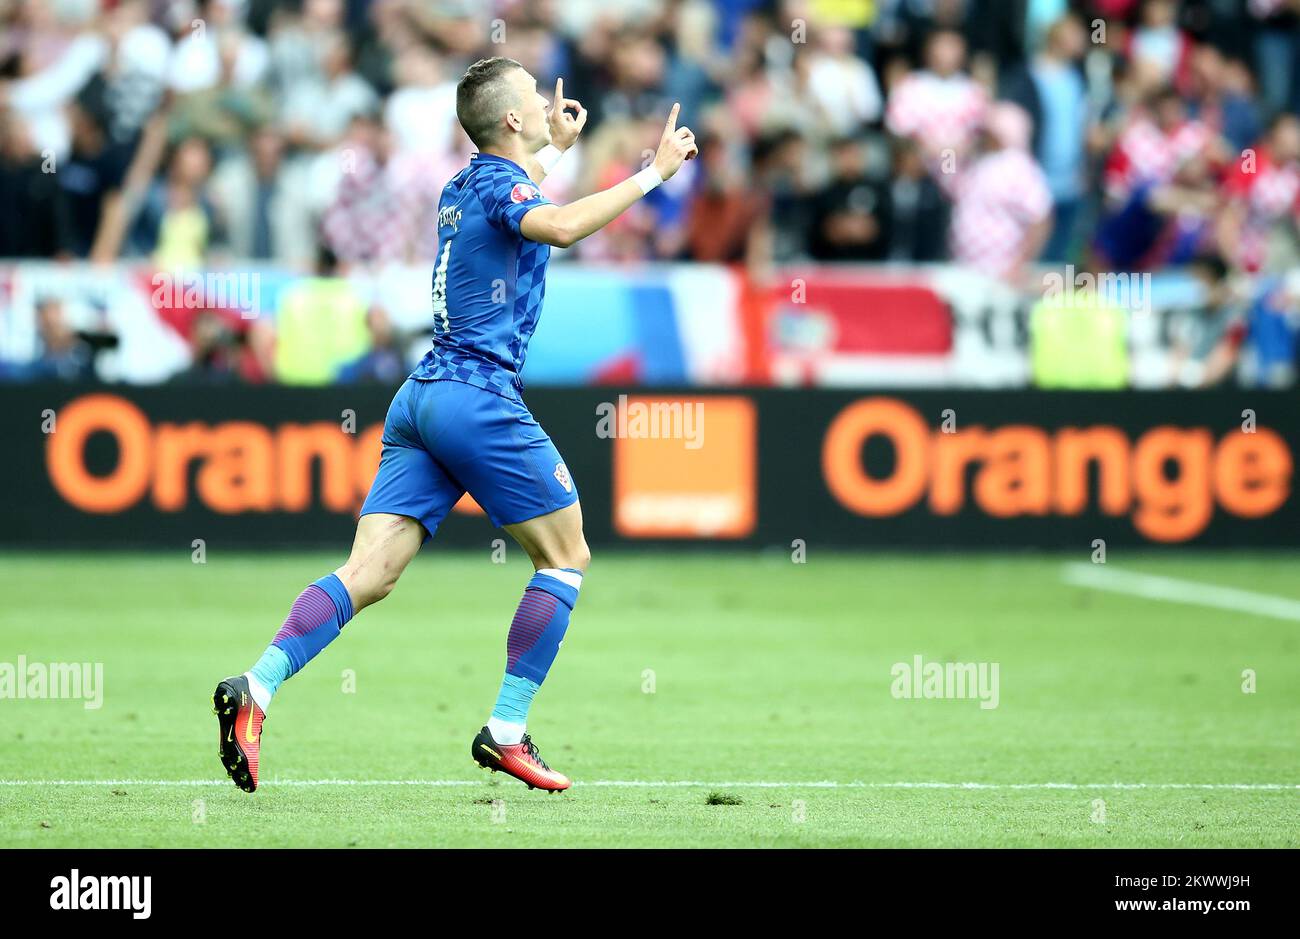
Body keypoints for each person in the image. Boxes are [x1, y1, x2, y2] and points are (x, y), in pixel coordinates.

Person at [213, 58, 697, 794]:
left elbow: (517, 194)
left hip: (422, 395)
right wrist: (653, 173)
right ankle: (505, 729)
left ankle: (258, 685)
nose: (546, 102)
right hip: (478, 394)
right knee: (566, 557)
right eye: (535, 97)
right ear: (509, 118)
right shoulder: (506, 185)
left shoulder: (461, 184)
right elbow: (559, 225)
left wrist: (557, 150)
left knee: (369, 573)